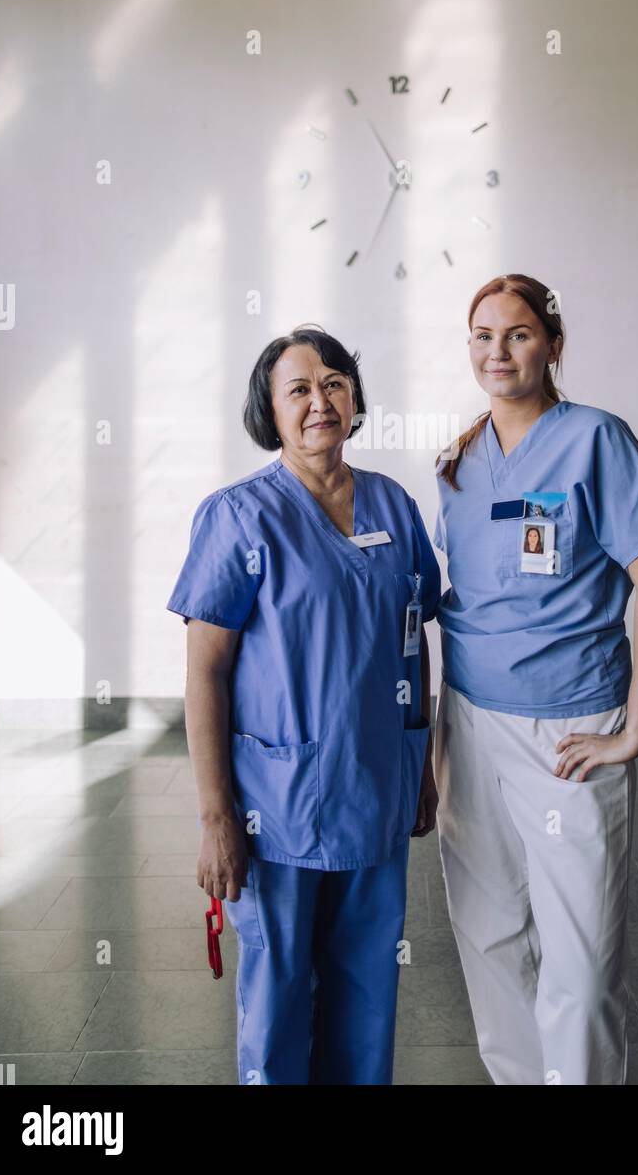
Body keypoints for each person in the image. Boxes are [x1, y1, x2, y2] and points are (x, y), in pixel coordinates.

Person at [166, 325, 441, 1085]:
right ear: (271, 411)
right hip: (277, 807)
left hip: (377, 789)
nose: (320, 401)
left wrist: (420, 759)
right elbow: (206, 675)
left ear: (354, 399)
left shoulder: (393, 502)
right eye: (299, 389)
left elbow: (415, 638)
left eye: (334, 383)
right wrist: (217, 817)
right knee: (280, 993)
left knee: (367, 991)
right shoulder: (237, 517)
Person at [432, 274, 638, 1086]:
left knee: (579, 961)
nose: (497, 351)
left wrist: (636, 725)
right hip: (468, 722)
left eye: (517, 334)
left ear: (553, 344)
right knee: (491, 938)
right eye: (482, 335)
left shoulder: (596, 440)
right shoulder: (459, 462)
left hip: (569, 730)